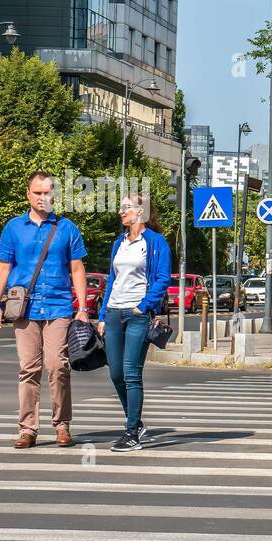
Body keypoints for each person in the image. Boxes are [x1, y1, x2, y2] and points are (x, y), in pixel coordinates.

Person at [0, 171, 90, 448]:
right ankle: (28, 429)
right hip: (23, 307)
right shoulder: (13, 227)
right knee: (28, 368)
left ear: (53, 195)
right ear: (28, 194)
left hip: (58, 306)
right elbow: (3, 266)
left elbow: (77, 269)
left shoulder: (67, 228)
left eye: (47, 192)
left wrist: (82, 307)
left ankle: (62, 424)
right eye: (37, 192)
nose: (42, 197)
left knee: (58, 366)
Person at [98, 192, 172, 452]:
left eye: (126, 208)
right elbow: (112, 280)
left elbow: (163, 278)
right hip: (114, 313)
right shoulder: (119, 242)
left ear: (141, 212)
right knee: (115, 372)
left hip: (137, 314)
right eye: (121, 208)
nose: (121, 212)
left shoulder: (155, 242)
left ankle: (131, 433)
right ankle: (137, 422)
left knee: (131, 373)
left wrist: (143, 306)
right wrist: (103, 315)